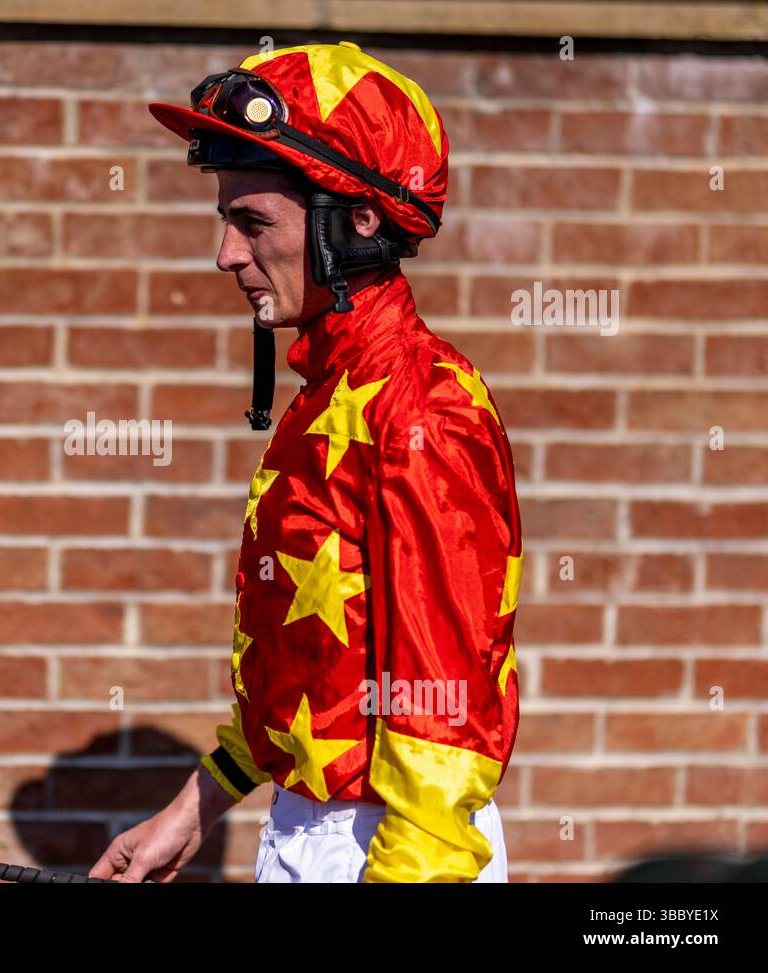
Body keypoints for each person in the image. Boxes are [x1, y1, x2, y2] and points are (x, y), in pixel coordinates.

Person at [89, 42, 524, 883]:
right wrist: (194, 809)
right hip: (310, 834)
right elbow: (314, 669)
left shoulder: (422, 406)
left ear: (354, 220)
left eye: (251, 222)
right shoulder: (329, 394)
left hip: (395, 849)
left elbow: (445, 707)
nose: (225, 254)